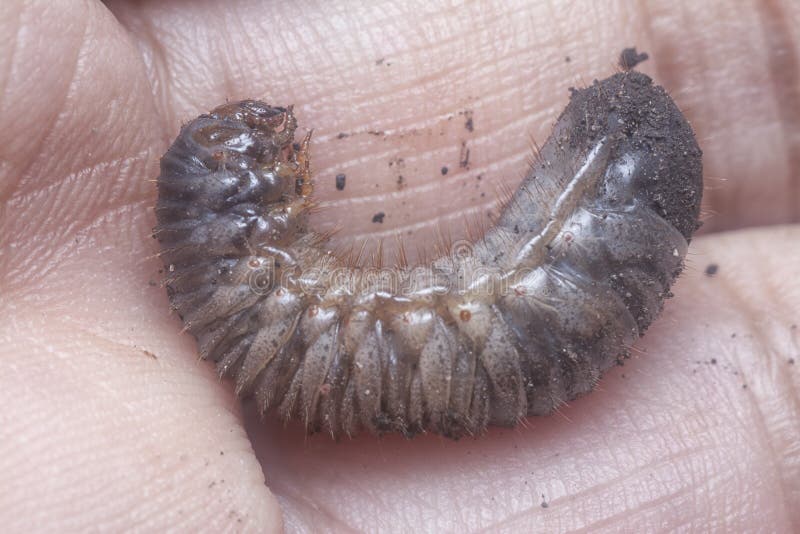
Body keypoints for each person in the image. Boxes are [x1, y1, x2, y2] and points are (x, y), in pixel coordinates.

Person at [1, 1, 798, 531]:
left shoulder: (273, 321)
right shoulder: (297, 337)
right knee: (507, 308)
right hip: (574, 266)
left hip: (603, 225)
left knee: (499, 308)